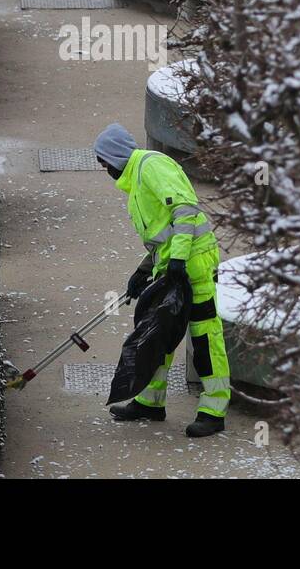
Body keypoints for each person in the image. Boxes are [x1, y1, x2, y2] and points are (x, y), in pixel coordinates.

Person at [93, 122, 229, 438]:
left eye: (103, 161)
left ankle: (213, 410)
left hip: (195, 262)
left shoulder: (151, 166)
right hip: (173, 266)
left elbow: (185, 210)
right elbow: (161, 238)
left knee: (205, 335)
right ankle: (151, 401)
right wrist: (143, 270)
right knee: (158, 330)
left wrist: (179, 259)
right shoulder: (136, 183)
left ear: (115, 155)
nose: (103, 168)